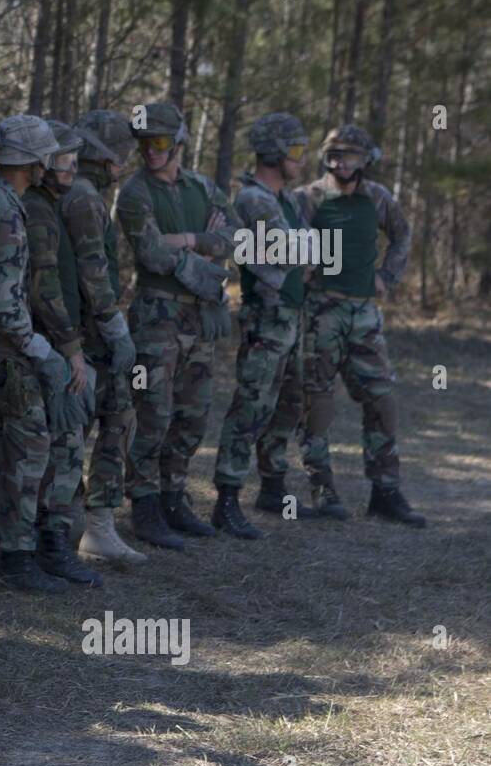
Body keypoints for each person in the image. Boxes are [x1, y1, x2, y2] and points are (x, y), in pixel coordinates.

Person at [115, 102, 238, 550]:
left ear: (179, 144)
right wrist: (206, 254)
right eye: (143, 143)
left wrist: (186, 240)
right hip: (156, 316)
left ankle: (174, 497)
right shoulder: (134, 194)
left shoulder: (202, 188)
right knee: (153, 412)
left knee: (193, 413)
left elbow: (236, 238)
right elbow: (150, 254)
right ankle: (144, 505)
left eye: (160, 143)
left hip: (200, 316)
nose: (150, 151)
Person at [0, 115, 69, 590]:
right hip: (4, 353)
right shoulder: (1, 208)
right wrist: (41, 350)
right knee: (29, 447)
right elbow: (5, 300)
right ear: (32, 161)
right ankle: (18, 555)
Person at [293, 125, 424, 526]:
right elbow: (287, 244)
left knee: (381, 398)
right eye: (333, 154)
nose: (339, 162)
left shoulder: (378, 197)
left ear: (366, 159)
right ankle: (322, 490)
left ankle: (385, 491)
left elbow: (402, 235)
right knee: (318, 400)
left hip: (364, 313)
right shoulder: (307, 198)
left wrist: (388, 275)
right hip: (321, 312)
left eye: (348, 155)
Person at [211, 112, 313, 537]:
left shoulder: (287, 199)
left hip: (292, 314)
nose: (302, 160)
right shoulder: (255, 199)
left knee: (289, 402)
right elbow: (291, 251)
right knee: (251, 405)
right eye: (295, 151)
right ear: (273, 152)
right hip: (267, 316)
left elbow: (307, 251)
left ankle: (272, 486)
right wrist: (301, 253)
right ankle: (227, 498)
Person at [22, 120, 102, 585]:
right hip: (47, 344)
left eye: (74, 158)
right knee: (64, 444)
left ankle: (48, 540)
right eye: (61, 159)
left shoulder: (51, 205)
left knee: (61, 443)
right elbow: (44, 285)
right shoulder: (36, 210)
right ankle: (49, 543)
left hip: (57, 339)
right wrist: (70, 348)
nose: (70, 168)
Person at [64, 109, 144, 564]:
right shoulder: (85, 199)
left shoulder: (85, 194)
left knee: (116, 418)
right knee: (92, 426)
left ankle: (96, 526)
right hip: (88, 337)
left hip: (89, 333)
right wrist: (115, 328)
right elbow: (94, 272)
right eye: (121, 157)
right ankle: (81, 526)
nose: (123, 167)